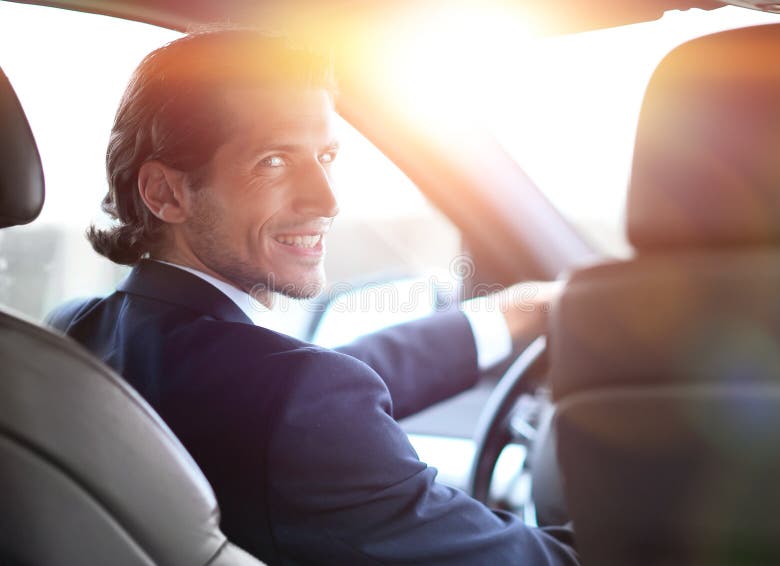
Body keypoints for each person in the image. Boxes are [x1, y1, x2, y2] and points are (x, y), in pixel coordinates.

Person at [48, 29, 578, 565]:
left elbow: (306, 389)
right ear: (166, 193)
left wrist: (515, 314)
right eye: (274, 161)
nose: (327, 199)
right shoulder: (294, 402)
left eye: (325, 156)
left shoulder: (72, 336)